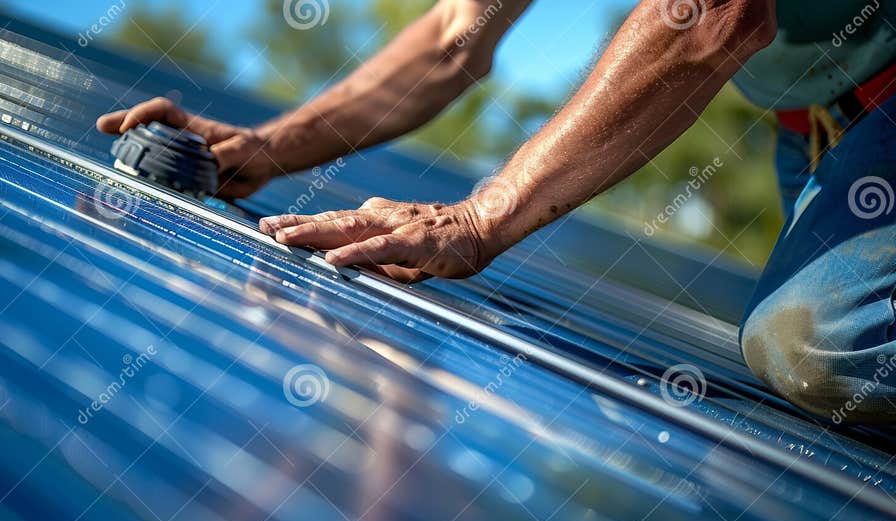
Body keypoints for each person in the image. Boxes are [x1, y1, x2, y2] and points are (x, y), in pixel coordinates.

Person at [97, 0, 896, 424]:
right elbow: (455, 33)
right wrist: (267, 150)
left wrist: (481, 219)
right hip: (827, 120)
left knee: (828, 346)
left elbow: (713, 16)